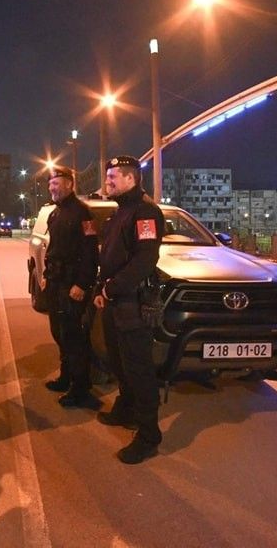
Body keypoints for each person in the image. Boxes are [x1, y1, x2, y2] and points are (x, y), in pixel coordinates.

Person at [93, 155, 166, 464]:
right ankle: (126, 409)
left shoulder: (145, 213)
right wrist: (102, 288)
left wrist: (112, 287)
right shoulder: (118, 214)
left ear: (130, 179)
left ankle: (149, 435)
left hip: (133, 304)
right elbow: (108, 257)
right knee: (119, 362)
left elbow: (144, 260)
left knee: (139, 369)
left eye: (112, 177)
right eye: (107, 176)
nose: (107, 182)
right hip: (115, 301)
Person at [41, 166, 99, 408]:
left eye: (57, 183)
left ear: (69, 184)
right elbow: (53, 249)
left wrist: (82, 284)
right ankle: (66, 377)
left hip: (73, 285)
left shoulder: (82, 213)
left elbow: (90, 251)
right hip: (56, 283)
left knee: (74, 337)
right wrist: (46, 275)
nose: (52, 188)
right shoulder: (55, 214)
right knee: (59, 333)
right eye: (51, 184)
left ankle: (81, 388)